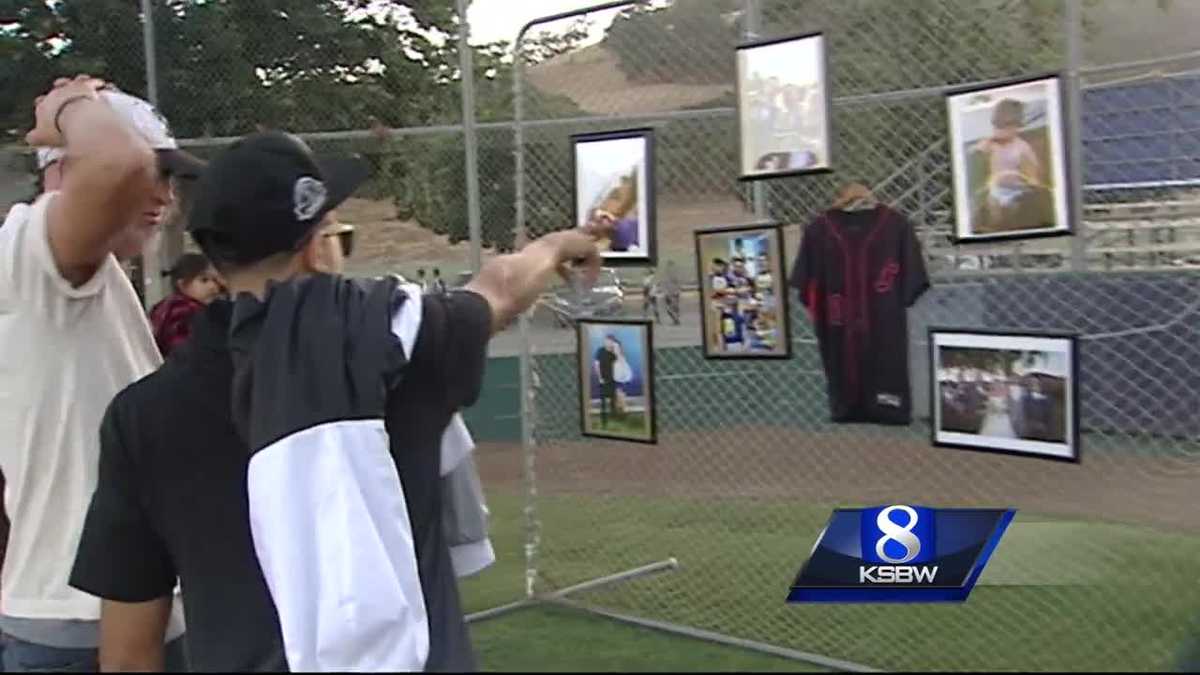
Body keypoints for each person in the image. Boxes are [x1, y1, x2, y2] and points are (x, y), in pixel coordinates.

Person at [68, 130, 609, 672]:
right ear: (315, 250)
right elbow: (503, 289)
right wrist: (561, 246)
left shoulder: (141, 415)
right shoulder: (400, 345)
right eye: (336, 234)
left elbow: (128, 655)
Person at [0, 76, 202, 672]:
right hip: (82, 625)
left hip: (118, 611)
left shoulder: (89, 280)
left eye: (169, 178)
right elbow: (116, 163)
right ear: (59, 171)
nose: (162, 195)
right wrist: (63, 104)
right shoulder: (30, 252)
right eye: (151, 174)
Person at [972, 98, 1044, 232]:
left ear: (1016, 127)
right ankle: (992, 227)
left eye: (1006, 128)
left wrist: (1032, 179)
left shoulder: (1022, 147)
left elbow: (1033, 170)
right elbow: (977, 154)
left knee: (1018, 210)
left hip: (1017, 190)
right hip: (996, 188)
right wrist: (982, 149)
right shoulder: (991, 145)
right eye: (997, 128)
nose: (1000, 132)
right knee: (992, 207)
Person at [148, 252, 223, 357]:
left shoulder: (163, 307)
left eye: (215, 280)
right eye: (204, 280)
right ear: (182, 285)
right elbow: (184, 350)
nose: (213, 286)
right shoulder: (184, 311)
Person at [593, 335, 621, 428]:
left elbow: (619, 362)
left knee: (613, 399)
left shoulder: (613, 352)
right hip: (604, 379)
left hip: (612, 379)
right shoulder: (600, 351)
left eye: (609, 341)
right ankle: (603, 421)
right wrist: (600, 377)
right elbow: (596, 364)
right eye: (606, 341)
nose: (607, 343)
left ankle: (614, 418)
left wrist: (616, 349)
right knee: (603, 401)